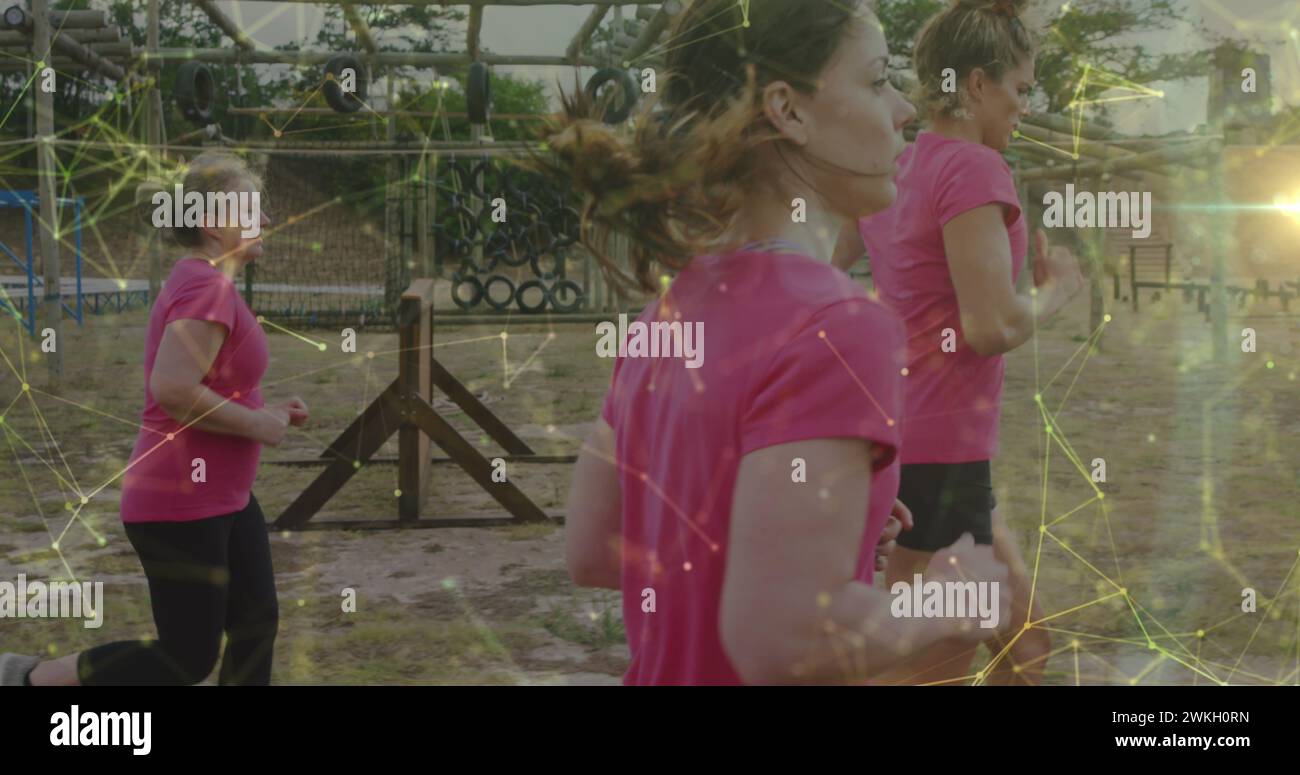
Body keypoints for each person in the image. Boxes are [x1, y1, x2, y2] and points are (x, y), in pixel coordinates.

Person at [544, 0, 1011, 685]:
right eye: (877, 79)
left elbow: (593, 547)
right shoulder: (838, 324)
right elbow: (785, 638)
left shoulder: (663, 314)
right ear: (787, 110)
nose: (904, 108)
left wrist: (785, 539)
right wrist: (948, 603)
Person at [834, 0, 1083, 685]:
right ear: (977, 85)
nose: (1025, 107)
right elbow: (991, 326)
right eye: (1021, 89)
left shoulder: (900, 165)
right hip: (938, 459)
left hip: (922, 445)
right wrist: (1056, 290)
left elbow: (826, 265)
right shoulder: (973, 169)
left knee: (1026, 647)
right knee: (918, 667)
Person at [1, 151, 306, 686]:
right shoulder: (205, 286)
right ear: (213, 224)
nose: (265, 221)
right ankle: (30, 678)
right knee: (186, 657)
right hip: (181, 505)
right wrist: (259, 426)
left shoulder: (206, 281)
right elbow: (171, 388)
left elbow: (208, 385)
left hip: (226, 497)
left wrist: (267, 411)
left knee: (256, 624)